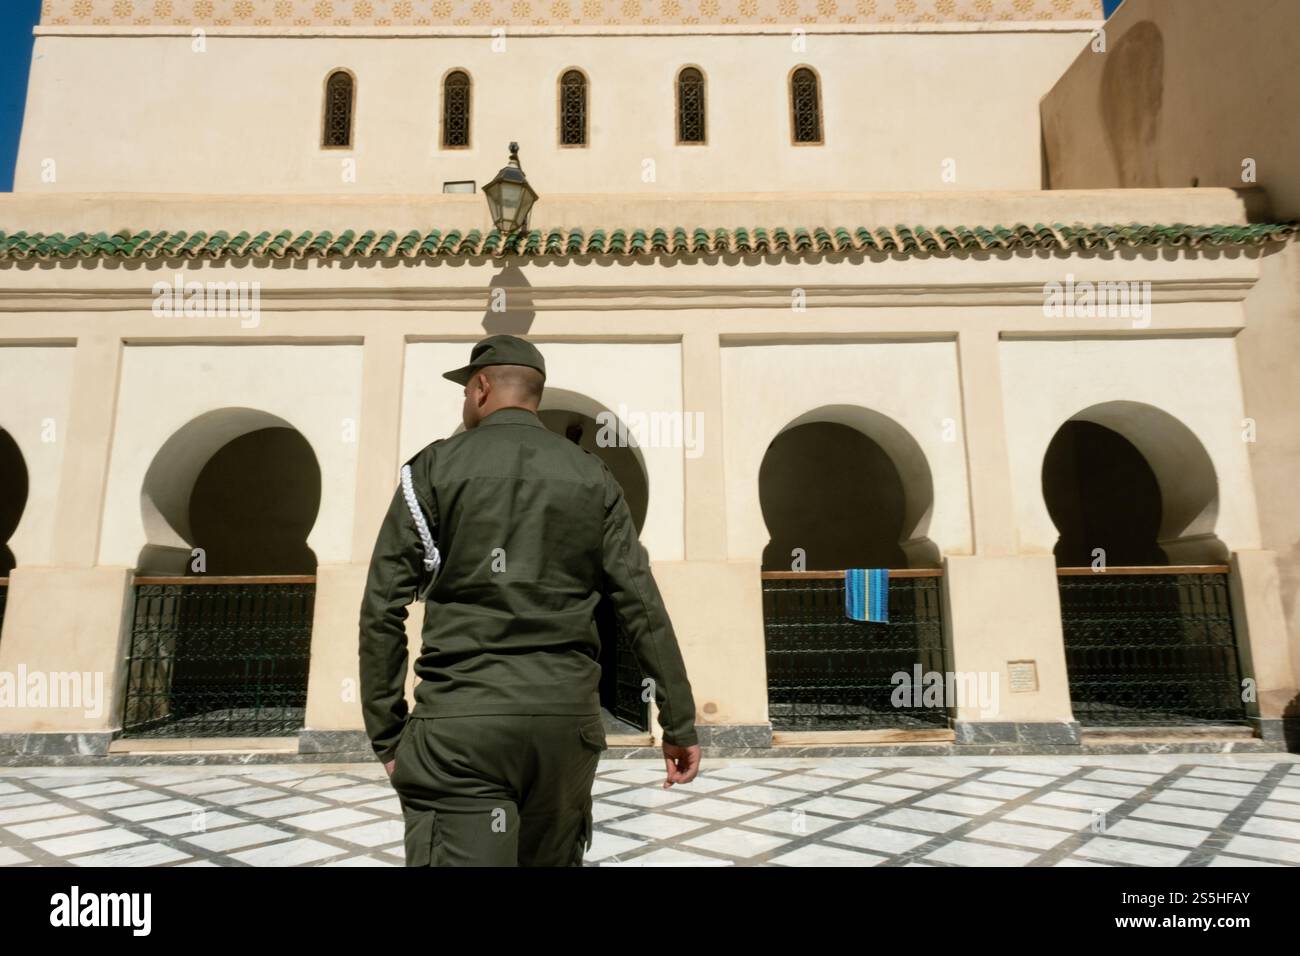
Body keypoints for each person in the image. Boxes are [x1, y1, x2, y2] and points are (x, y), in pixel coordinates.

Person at [358, 333, 701, 866]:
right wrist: (678, 722)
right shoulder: (593, 475)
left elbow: (382, 607)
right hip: (565, 728)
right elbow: (641, 603)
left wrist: (387, 736)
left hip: (459, 729)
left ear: (480, 387)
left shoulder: (430, 470)